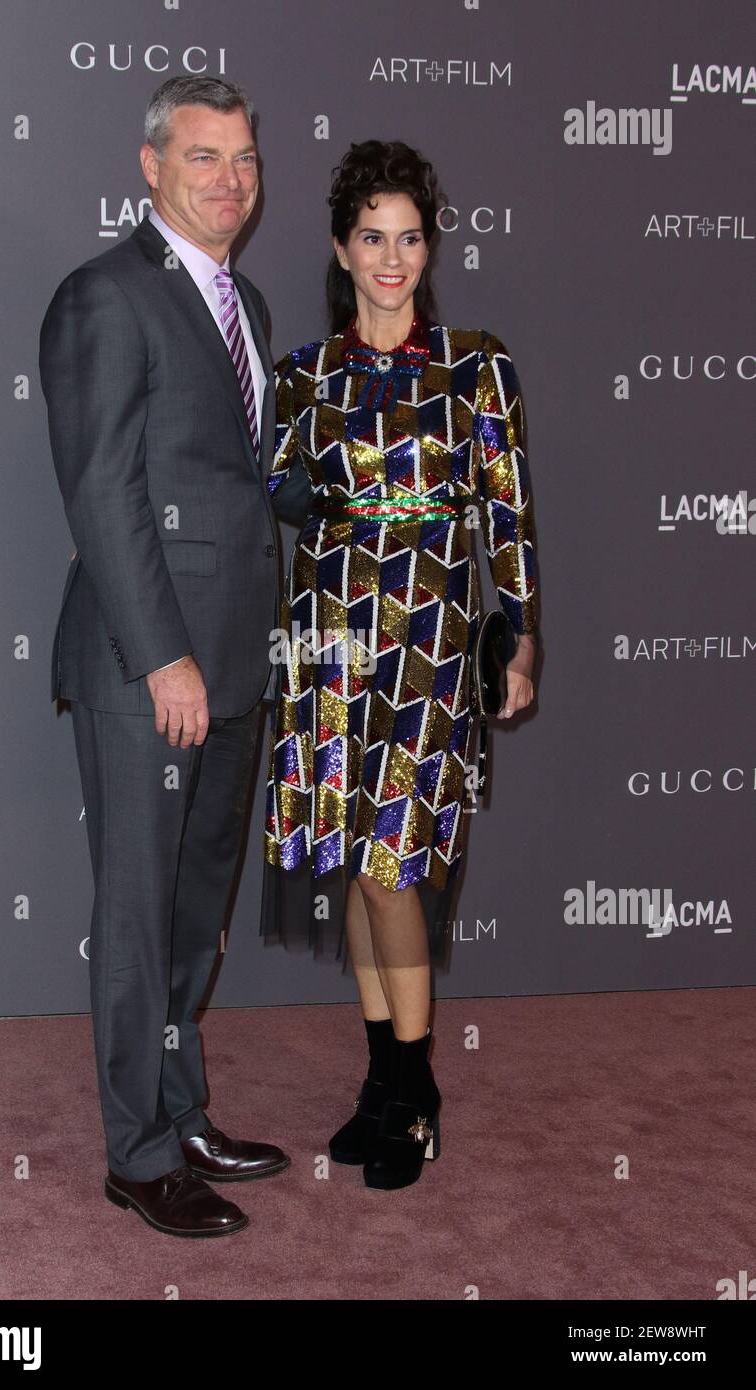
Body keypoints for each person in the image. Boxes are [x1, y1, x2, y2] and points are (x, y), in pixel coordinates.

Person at [39, 75, 307, 1239]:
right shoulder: (105, 297)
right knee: (141, 916)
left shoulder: (238, 295)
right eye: (202, 157)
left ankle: (182, 1110)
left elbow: (238, 483)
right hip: (149, 671)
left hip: (236, 663)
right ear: (149, 166)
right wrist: (166, 660)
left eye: (243, 158)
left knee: (195, 910)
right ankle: (136, 1153)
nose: (228, 180)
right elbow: (102, 492)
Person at [261, 140, 540, 1191]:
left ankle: (415, 1094)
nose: (390, 258)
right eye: (371, 238)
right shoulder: (305, 376)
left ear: (429, 245)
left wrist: (518, 636)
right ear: (341, 249)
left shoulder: (478, 364)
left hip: (429, 637)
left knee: (393, 863)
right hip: (329, 635)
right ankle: (382, 1083)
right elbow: (277, 498)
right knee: (355, 863)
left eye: (408, 237)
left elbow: (506, 512)